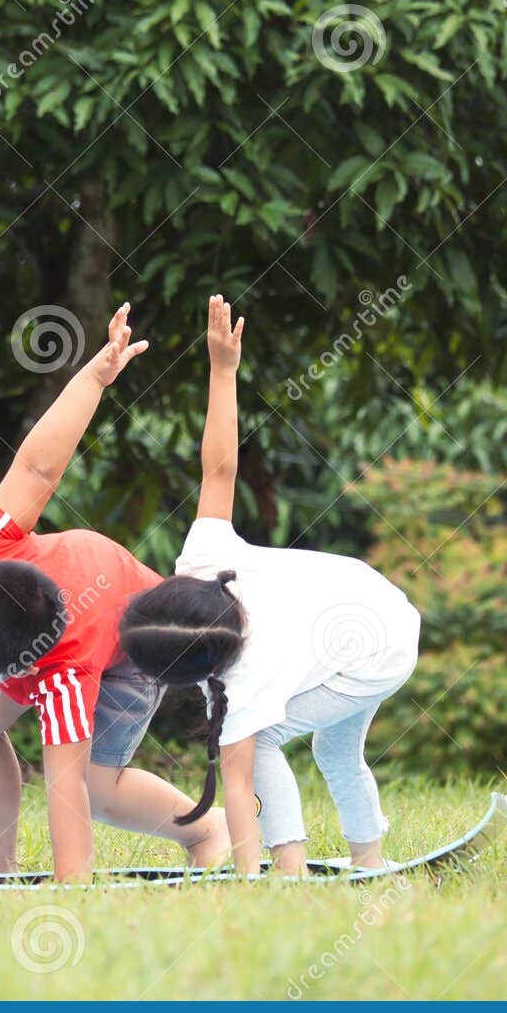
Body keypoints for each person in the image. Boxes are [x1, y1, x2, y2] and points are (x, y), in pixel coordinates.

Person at [120, 296, 421, 875]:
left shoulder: (245, 674)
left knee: (258, 744)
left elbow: (238, 781)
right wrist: (223, 369)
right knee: (334, 750)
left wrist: (254, 878)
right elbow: (219, 468)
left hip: (376, 652)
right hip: (368, 599)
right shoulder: (203, 560)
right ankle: (370, 859)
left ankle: (292, 871)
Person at [0, 302, 229, 882]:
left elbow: (64, 794)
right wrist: (94, 376)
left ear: (26, 665)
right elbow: (39, 469)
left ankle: (204, 827)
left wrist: (72, 889)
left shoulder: (66, 674)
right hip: (74, 600)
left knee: (92, 785)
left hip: (130, 650)